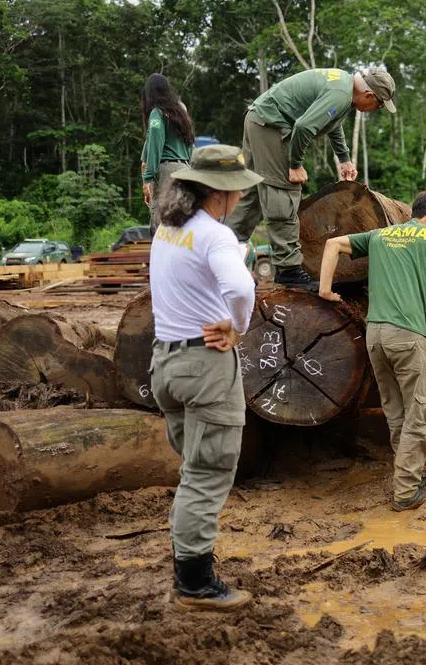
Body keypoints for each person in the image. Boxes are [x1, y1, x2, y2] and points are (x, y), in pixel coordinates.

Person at [317, 191, 426, 511]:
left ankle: (406, 476)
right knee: (419, 414)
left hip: (376, 336)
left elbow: (332, 244)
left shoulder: (381, 235)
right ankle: (406, 492)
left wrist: (325, 290)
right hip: (408, 336)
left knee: (396, 412)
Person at [149, 143, 263, 610]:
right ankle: (194, 584)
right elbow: (240, 287)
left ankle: (186, 561)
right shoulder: (215, 235)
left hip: (165, 362)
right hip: (205, 365)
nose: (241, 196)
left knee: (192, 469)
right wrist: (238, 327)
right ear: (221, 192)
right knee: (207, 472)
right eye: (237, 189)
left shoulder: (168, 229)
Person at [227, 67, 397, 291]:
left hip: (260, 120)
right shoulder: (340, 93)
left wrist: (344, 159)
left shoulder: (343, 87)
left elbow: (333, 124)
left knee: (253, 191)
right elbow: (304, 127)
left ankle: (225, 246)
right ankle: (288, 269)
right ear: (368, 95)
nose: (376, 109)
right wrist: (295, 165)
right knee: (284, 191)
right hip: (272, 125)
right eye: (379, 104)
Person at [141, 73, 195, 232]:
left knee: (162, 223)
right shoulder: (180, 112)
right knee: (183, 220)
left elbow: (155, 146)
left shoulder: (156, 114)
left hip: (167, 172)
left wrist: (147, 179)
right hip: (185, 170)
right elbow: (190, 144)